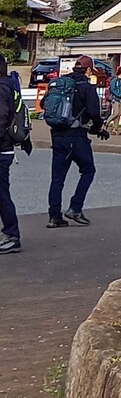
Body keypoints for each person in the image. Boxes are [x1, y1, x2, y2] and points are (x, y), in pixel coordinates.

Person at [47, 54, 108, 228]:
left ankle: (54, 216)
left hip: (57, 135)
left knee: (57, 178)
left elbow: (46, 104)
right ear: (88, 70)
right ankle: (75, 208)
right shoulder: (86, 88)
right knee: (88, 170)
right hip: (76, 136)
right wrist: (98, 129)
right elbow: (94, 113)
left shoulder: (59, 83)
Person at [0, 54, 32, 254]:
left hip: (1, 149)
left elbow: (1, 120)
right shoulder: (9, 87)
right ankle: (11, 234)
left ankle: (12, 235)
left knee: (2, 194)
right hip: (6, 148)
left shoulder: (2, 90)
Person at [108, 66, 121, 133]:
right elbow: (112, 89)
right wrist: (120, 95)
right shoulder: (115, 80)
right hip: (115, 99)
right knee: (115, 113)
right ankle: (105, 123)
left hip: (120, 100)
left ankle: (115, 128)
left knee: (119, 114)